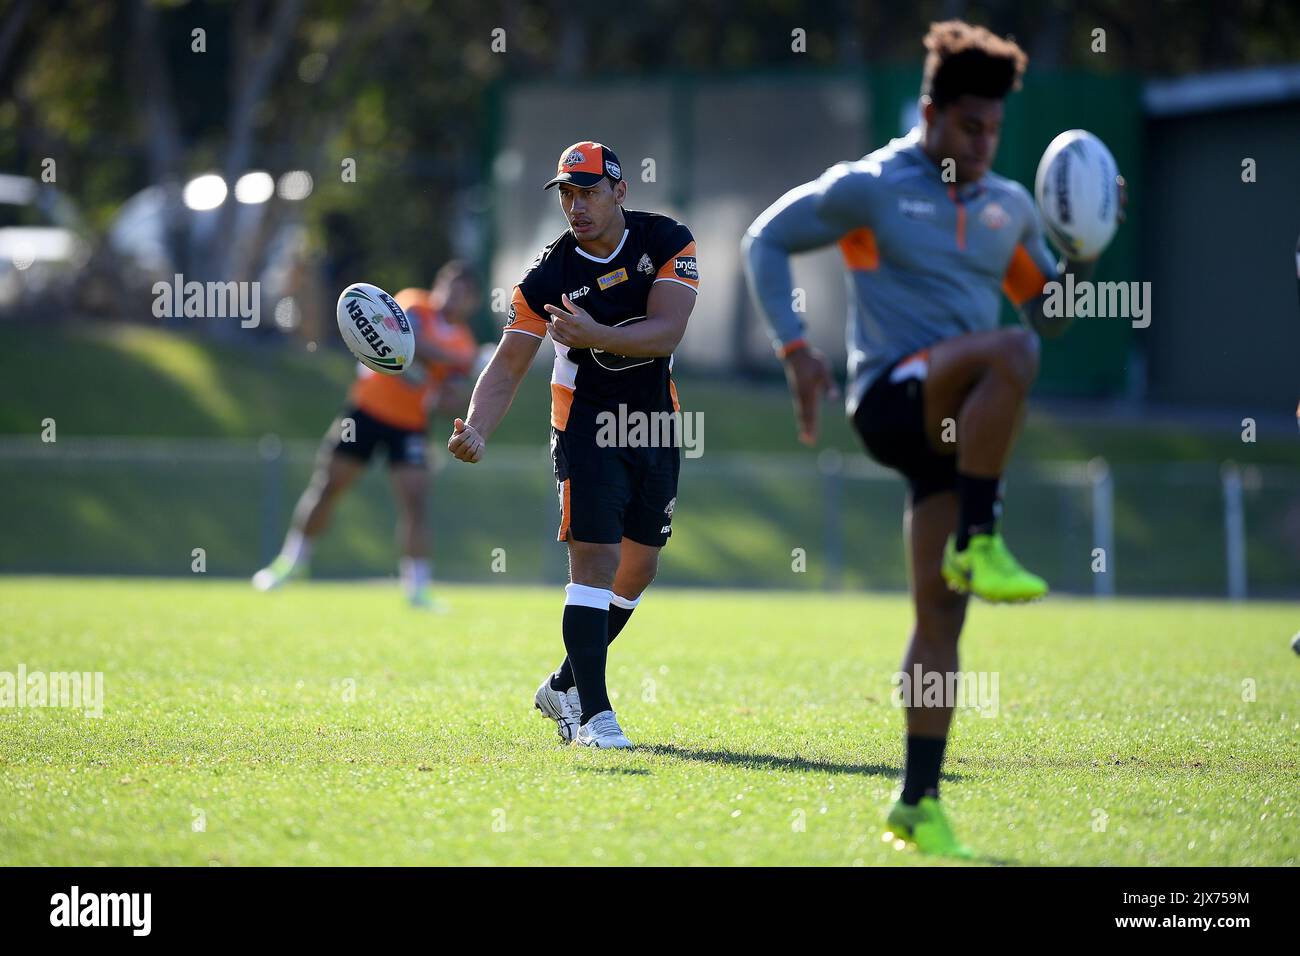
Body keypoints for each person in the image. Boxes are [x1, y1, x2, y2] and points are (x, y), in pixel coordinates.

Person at [742, 20, 1122, 855]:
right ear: (930, 113)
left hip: (951, 435)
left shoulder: (1007, 207)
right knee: (1010, 353)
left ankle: (918, 800)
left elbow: (1045, 318)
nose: (984, 144)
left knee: (940, 620)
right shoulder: (874, 186)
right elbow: (765, 237)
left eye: (994, 129)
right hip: (887, 399)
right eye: (969, 127)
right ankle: (980, 538)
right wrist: (798, 351)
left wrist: (1084, 255)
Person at [448, 141, 699, 748]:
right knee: (595, 562)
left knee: (639, 569)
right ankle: (592, 714)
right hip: (584, 422)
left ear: (619, 191)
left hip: (655, 422)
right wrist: (477, 425)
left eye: (587, 191)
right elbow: (508, 366)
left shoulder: (666, 240)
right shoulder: (547, 277)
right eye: (566, 193)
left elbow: (668, 332)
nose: (576, 205)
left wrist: (596, 334)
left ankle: (564, 683)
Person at [253, 261, 481, 608]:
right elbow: (405, 340)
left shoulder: (465, 343)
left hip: (410, 424)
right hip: (366, 412)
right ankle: (290, 563)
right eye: (449, 285)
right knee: (328, 486)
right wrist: (460, 360)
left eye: (462, 291)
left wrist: (458, 388)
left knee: (416, 503)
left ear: (473, 302)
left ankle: (417, 588)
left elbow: (449, 400)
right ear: (437, 284)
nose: (453, 295)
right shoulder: (415, 306)